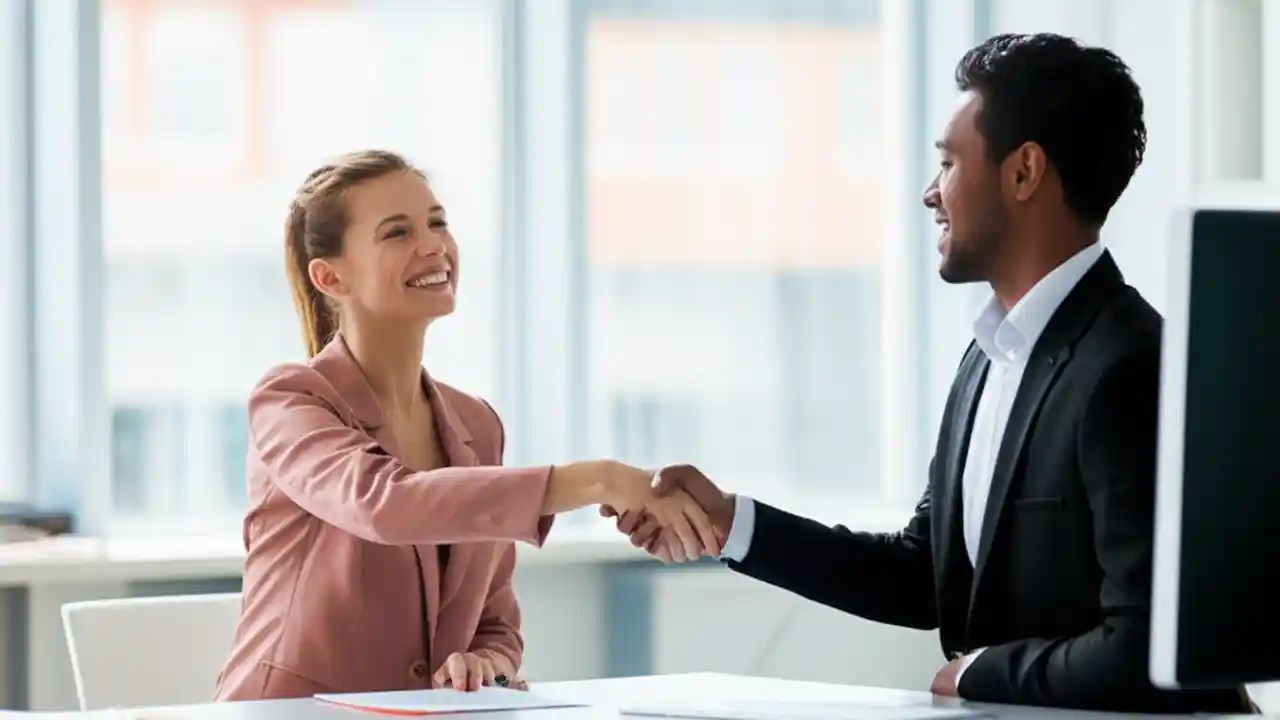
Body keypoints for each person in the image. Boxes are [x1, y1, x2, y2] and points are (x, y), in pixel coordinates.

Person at [605, 34, 1251, 714]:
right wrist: (729, 522)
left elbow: (1150, 653)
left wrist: (982, 673)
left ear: (1024, 172)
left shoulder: (1131, 367)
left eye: (947, 163)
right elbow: (926, 574)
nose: (929, 194)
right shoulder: (989, 356)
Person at [214, 150, 719, 701]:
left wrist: (485, 665)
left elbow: (495, 625)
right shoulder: (292, 399)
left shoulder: (476, 424)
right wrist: (601, 480)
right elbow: (384, 504)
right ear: (330, 276)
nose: (433, 245)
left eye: (437, 223)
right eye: (397, 232)